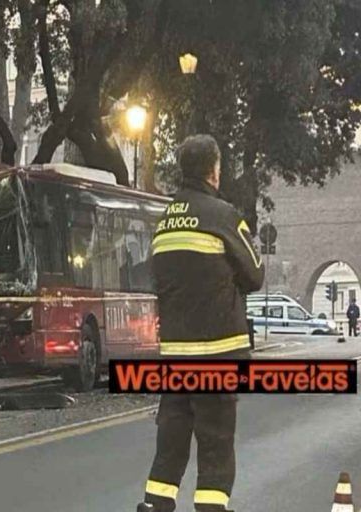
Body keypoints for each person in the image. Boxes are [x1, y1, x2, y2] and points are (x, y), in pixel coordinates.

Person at [137, 135, 264, 512]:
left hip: (175, 354)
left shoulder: (163, 223)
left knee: (172, 435)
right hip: (220, 351)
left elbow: (158, 281)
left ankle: (155, 505)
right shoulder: (222, 215)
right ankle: (211, 507)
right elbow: (255, 276)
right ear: (214, 169)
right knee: (216, 437)